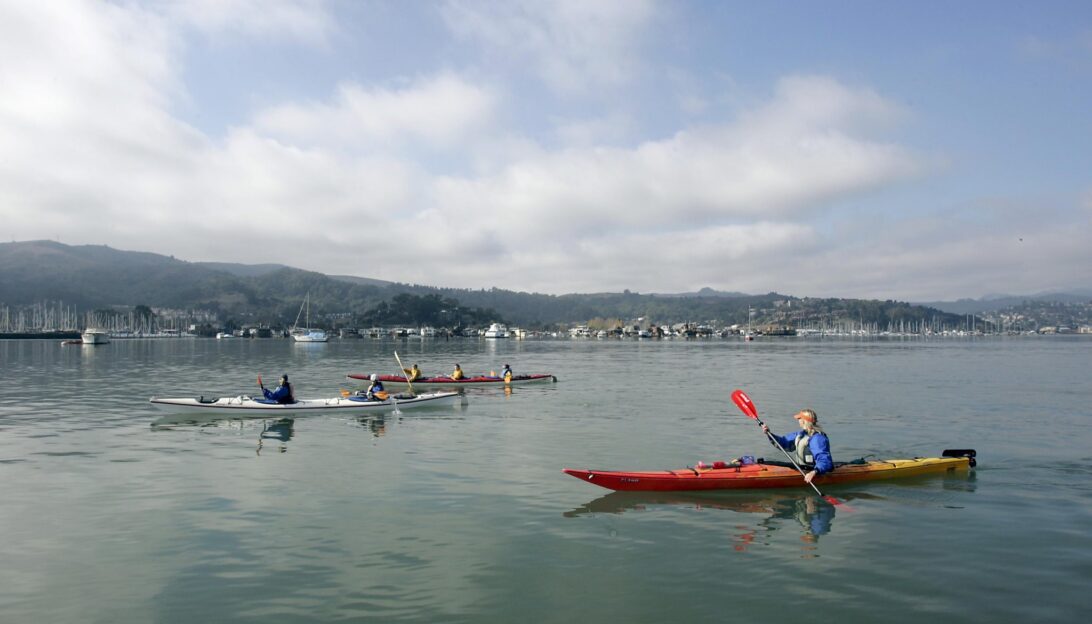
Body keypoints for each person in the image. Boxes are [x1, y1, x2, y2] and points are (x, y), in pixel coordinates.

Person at [761, 409, 833, 484]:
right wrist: (769, 434)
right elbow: (783, 443)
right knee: (766, 462)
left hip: (814, 471)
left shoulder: (817, 438)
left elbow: (825, 460)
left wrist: (814, 472)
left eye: (799, 418)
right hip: (802, 468)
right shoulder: (800, 434)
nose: (798, 420)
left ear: (804, 421)